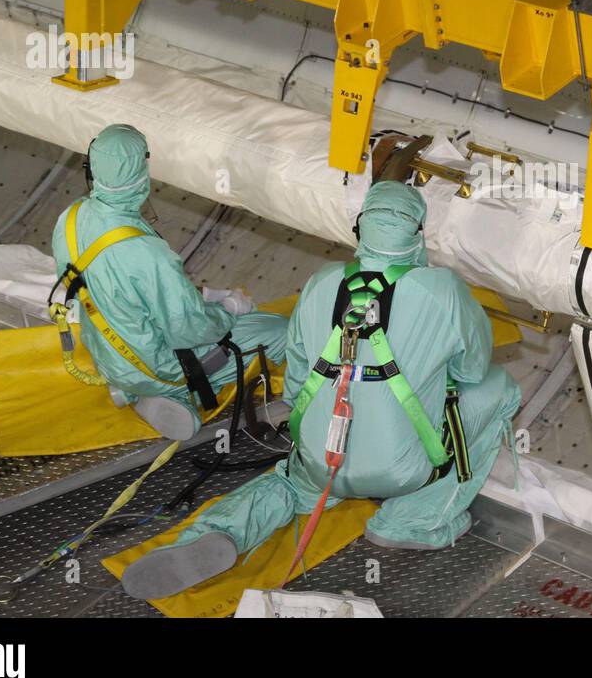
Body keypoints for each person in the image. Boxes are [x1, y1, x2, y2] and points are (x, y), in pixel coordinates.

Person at [120, 180, 520, 599]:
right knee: (499, 387)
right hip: (404, 471)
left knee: (289, 484)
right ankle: (409, 521)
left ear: (360, 230)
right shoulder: (444, 291)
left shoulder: (322, 281)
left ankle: (219, 533)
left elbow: (297, 376)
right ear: (418, 235)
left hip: (323, 458)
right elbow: (473, 369)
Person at [52, 123, 289, 441]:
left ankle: (131, 389)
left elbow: (117, 288)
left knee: (158, 340)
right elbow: (188, 329)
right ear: (141, 170)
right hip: (155, 364)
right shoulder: (147, 253)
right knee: (278, 332)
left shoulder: (69, 218)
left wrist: (203, 294)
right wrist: (229, 309)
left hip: (106, 355)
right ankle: (166, 391)